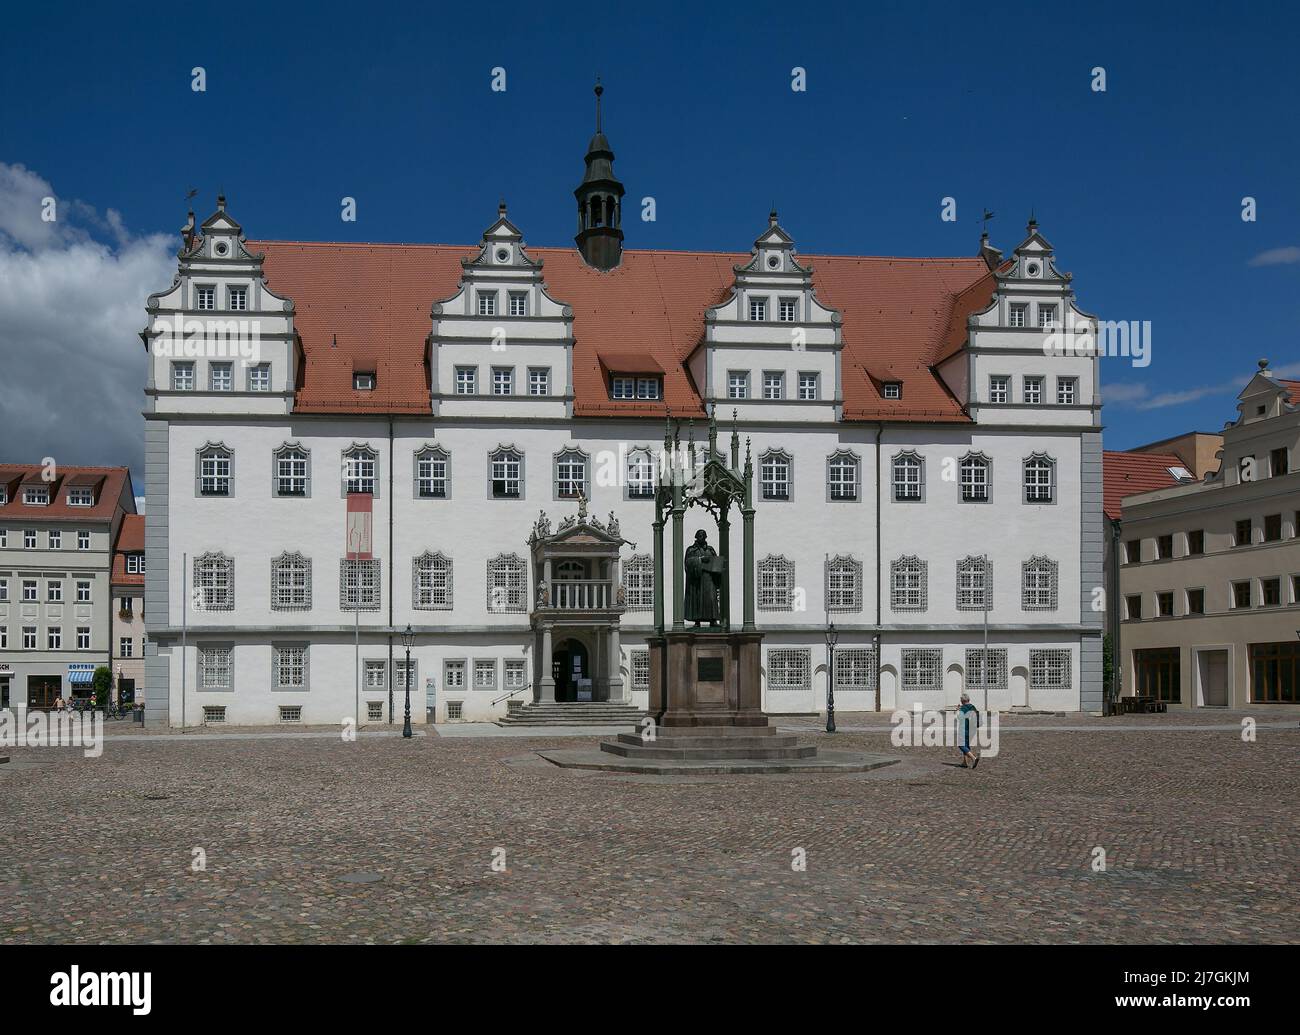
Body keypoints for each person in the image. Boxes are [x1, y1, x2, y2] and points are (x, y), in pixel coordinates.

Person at [957, 693, 980, 768]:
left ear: (962, 701)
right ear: (968, 700)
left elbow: (959, 718)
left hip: (964, 729)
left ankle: (974, 758)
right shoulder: (973, 707)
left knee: (961, 745)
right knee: (966, 745)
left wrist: (958, 710)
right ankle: (965, 763)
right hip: (972, 729)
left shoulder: (963, 708)